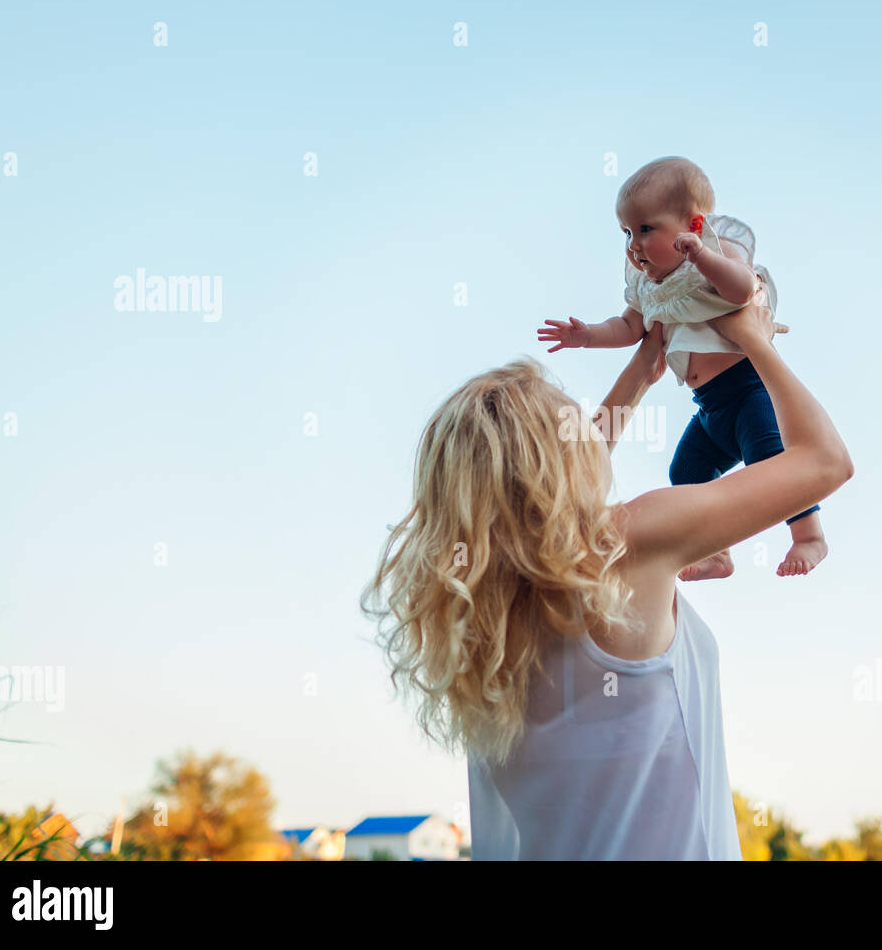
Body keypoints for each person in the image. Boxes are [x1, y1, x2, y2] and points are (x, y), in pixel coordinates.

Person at [364, 294, 852, 859]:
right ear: (558, 457)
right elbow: (824, 461)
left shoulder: (479, 622)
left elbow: (544, 498)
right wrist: (753, 338)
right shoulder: (628, 545)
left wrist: (641, 373)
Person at [538, 155, 828, 580]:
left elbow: (742, 289)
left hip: (748, 392)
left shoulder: (715, 253)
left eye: (646, 229)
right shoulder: (649, 283)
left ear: (693, 226)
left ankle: (809, 535)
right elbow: (629, 327)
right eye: (627, 232)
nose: (634, 244)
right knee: (685, 471)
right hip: (709, 406)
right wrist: (588, 336)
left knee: (771, 460)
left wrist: (703, 259)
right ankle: (716, 553)